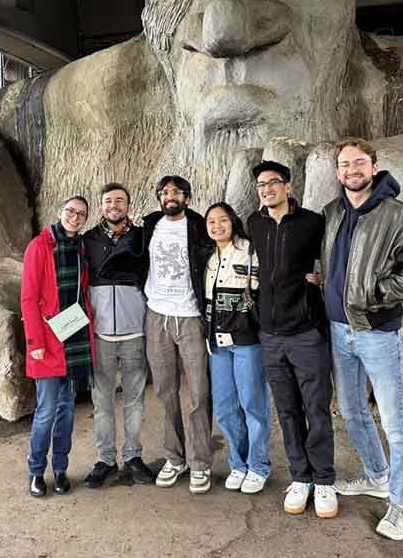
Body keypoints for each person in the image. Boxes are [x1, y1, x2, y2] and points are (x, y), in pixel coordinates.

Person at [322, 137, 403, 541]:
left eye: (359, 163)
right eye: (344, 164)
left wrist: (376, 293)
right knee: (353, 412)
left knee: (395, 423)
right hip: (339, 331)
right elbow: (338, 262)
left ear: (373, 167)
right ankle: (376, 475)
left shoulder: (397, 215)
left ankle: (401, 503)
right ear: (338, 172)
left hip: (377, 333)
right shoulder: (334, 211)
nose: (351, 170)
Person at [248, 160, 338, 519]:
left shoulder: (313, 222)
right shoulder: (255, 223)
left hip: (306, 332)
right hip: (270, 334)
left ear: (288, 185)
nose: (267, 189)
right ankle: (301, 477)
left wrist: (321, 278)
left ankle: (325, 480)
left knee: (315, 408)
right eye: (261, 185)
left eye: (273, 183)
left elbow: (335, 259)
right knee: (286, 410)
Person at [21, 196, 94, 497]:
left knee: (66, 412)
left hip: (73, 337)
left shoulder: (81, 248)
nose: (74, 217)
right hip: (48, 341)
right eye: (70, 211)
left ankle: (60, 468)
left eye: (81, 214)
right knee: (47, 411)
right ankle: (36, 471)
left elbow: (83, 290)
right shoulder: (39, 247)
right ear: (60, 212)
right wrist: (35, 341)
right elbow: (28, 297)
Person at [142, 175, 212, 493]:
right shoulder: (150, 225)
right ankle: (175, 457)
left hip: (190, 316)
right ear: (159, 198)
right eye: (164, 192)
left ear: (187, 196)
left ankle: (200, 462)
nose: (170, 196)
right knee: (165, 390)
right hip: (156, 314)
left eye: (176, 192)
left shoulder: (199, 225)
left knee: (198, 392)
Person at [83, 183, 153, 488]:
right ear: (101, 207)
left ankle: (134, 456)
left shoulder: (140, 239)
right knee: (103, 401)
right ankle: (105, 459)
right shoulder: (87, 241)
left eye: (120, 201)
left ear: (128, 205)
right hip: (100, 335)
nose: (114, 205)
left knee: (134, 400)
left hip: (134, 332)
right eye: (108, 201)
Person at [202, 202, 270, 493]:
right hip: (216, 344)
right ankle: (237, 463)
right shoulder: (206, 257)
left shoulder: (250, 251)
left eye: (222, 220)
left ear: (233, 221)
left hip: (247, 342)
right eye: (211, 222)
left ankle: (258, 465)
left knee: (252, 405)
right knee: (225, 408)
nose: (217, 226)